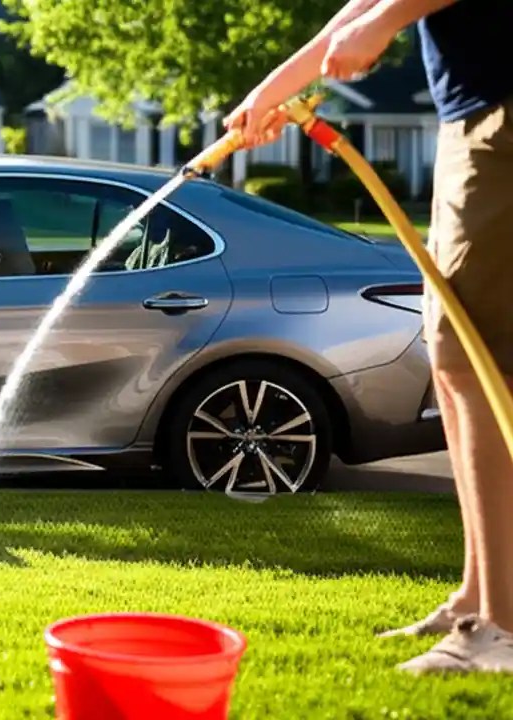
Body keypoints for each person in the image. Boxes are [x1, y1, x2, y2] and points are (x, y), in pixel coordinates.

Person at [225, 0, 513, 674]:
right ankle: (476, 598)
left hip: (500, 112)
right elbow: (361, 5)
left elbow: (372, 11)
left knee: (480, 365)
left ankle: (499, 627)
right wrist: (274, 90)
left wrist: (386, 22)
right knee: (452, 357)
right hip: (472, 116)